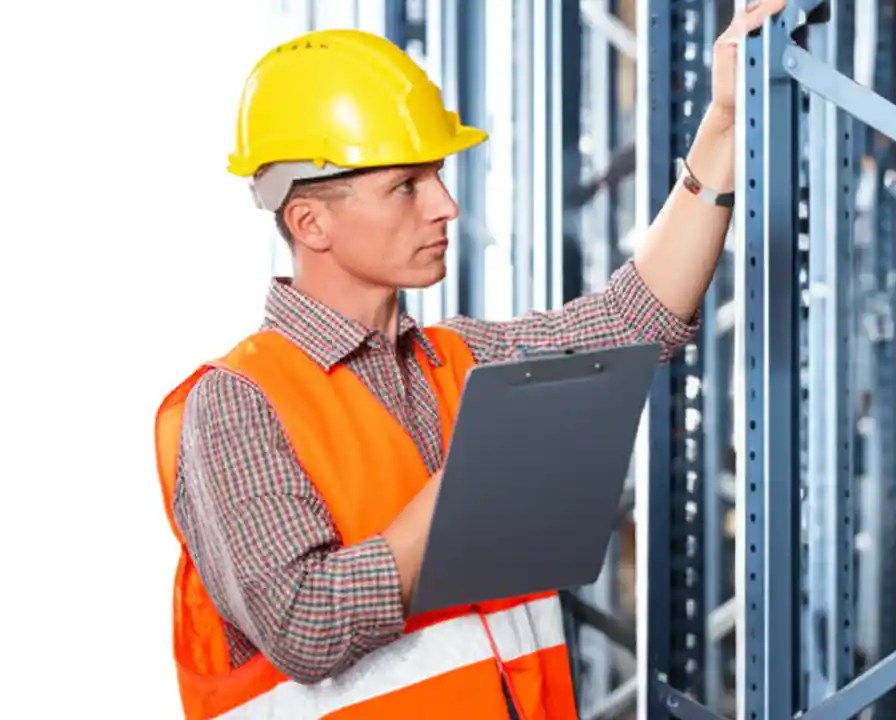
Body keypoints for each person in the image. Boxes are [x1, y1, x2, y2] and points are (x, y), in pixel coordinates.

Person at [153, 2, 786, 718]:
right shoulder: (237, 404)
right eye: (406, 185)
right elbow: (306, 626)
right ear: (310, 222)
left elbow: (639, 320)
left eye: (438, 176)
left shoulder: (464, 361)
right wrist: (474, 477)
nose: (447, 205)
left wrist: (724, 127)